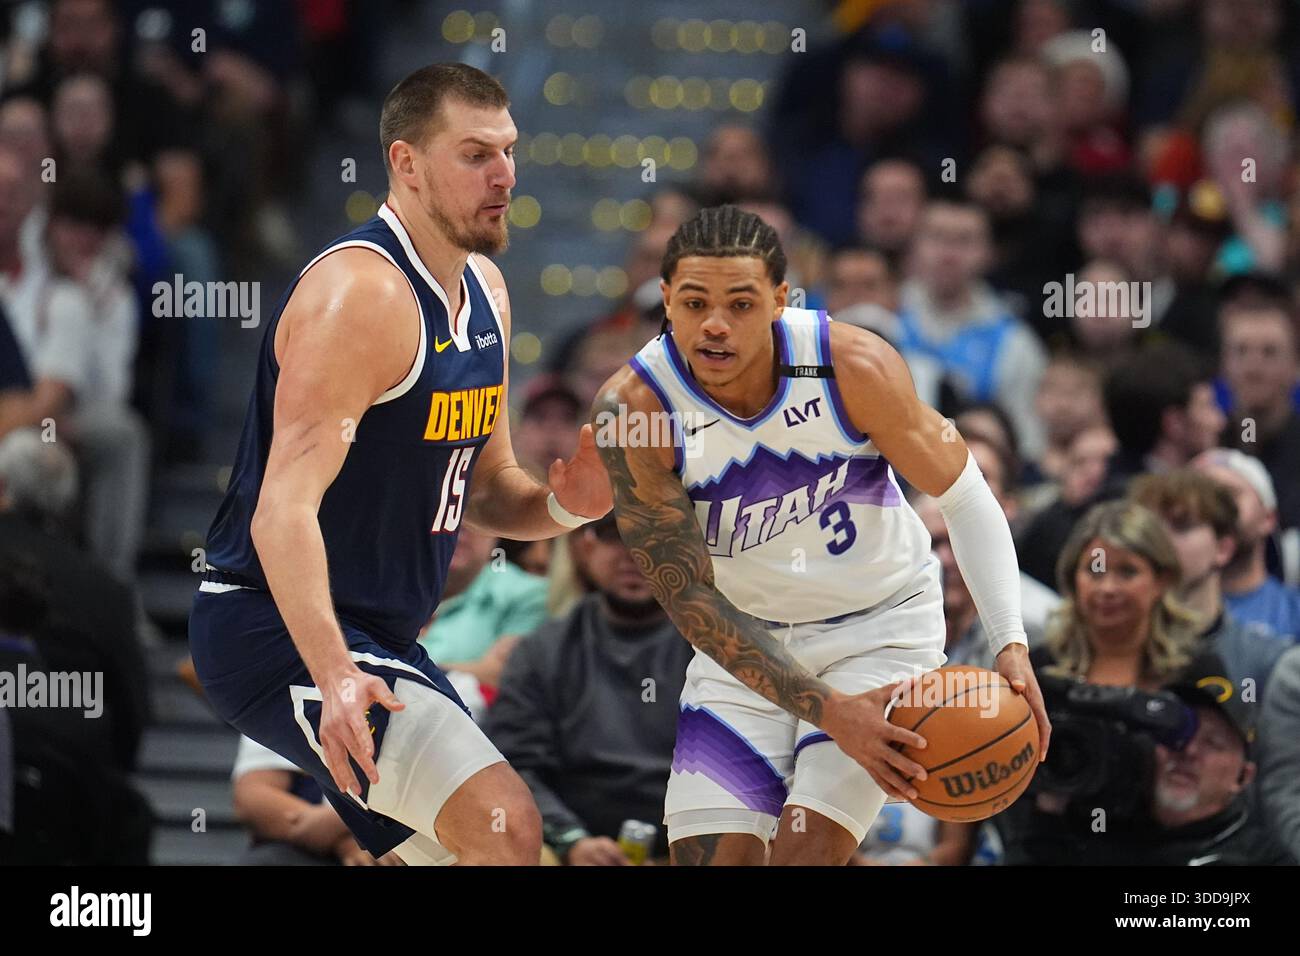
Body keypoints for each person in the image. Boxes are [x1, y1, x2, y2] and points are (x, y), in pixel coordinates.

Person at [187, 64, 612, 867]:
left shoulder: (487, 290)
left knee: (452, 855)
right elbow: (281, 510)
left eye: (510, 151)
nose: (504, 175)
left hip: (379, 635)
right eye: (476, 154)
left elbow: (485, 490)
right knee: (505, 827)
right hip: (271, 623)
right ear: (406, 163)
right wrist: (334, 673)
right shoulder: (361, 296)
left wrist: (569, 506)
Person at [593, 205, 1049, 866]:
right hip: (742, 643)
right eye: (694, 303)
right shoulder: (635, 409)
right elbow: (688, 598)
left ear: (780, 299)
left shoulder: (852, 364)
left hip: (880, 629)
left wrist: (1010, 640)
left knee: (805, 852)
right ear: (665, 299)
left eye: (741, 304)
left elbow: (967, 494)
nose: (715, 324)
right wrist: (830, 711)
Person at [485, 513, 695, 864]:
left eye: (652, 537)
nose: (634, 554)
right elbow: (514, 765)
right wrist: (571, 841)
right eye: (616, 536)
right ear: (584, 547)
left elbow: (746, 760)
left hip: (697, 842)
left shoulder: (714, 650)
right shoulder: (542, 650)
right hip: (570, 845)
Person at [1129, 469, 1291, 697]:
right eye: (1151, 530)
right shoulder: (1113, 646)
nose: (1161, 541)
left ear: (1223, 548)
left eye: (1182, 526)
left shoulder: (1267, 659)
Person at [1193, 448, 1300, 639]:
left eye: (1228, 495)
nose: (1212, 509)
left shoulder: (1294, 614)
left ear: (1268, 518)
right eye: (1198, 498)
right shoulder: (1158, 608)